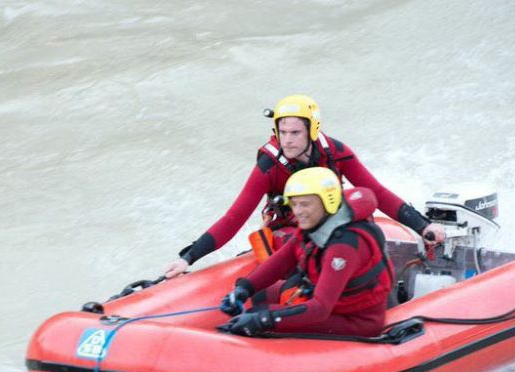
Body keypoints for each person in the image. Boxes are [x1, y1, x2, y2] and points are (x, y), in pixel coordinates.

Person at [164, 94, 442, 278]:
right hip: (291, 235)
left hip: (335, 229)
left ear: (312, 130)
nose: (287, 140)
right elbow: (234, 218)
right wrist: (188, 258)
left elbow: (378, 194)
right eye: (282, 132)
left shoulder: (336, 152)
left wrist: (422, 226)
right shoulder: (269, 166)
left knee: (363, 208)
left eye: (295, 132)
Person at [218, 167, 391, 338]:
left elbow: (320, 309)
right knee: (258, 298)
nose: (298, 211)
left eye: (305, 204)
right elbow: (282, 260)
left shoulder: (344, 246)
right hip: (328, 304)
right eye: (294, 204)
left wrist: (264, 319)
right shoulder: (317, 223)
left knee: (257, 315)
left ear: (327, 202)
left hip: (355, 321)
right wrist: (244, 288)